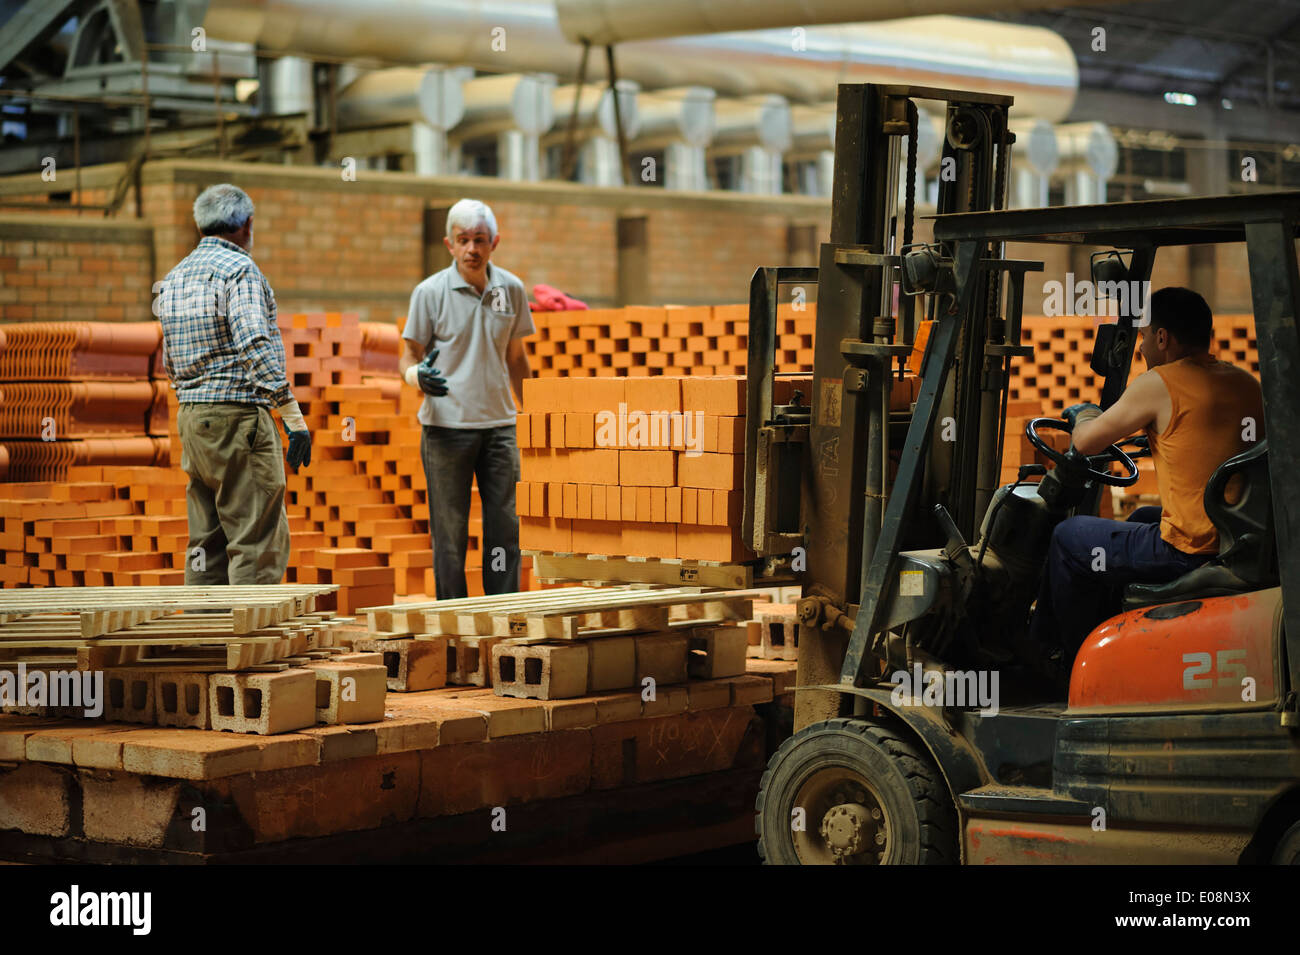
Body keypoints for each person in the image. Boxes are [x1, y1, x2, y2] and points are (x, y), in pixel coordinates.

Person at [1028, 286, 1264, 673]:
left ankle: (1062, 664)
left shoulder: (1162, 382)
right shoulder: (1244, 382)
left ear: (1162, 337)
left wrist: (1083, 414)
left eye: (1142, 335)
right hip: (1236, 539)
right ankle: (1117, 634)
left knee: (1068, 539)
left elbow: (1086, 442)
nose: (1140, 348)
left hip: (1190, 552)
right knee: (1139, 520)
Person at [155, 183, 311, 585]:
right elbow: (254, 343)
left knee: (205, 543)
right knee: (255, 542)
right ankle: (249, 644)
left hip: (192, 420)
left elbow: (168, 358)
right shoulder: (240, 271)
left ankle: (204, 639)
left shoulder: (173, 280)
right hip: (239, 420)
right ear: (247, 225)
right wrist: (292, 417)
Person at [401, 199, 534, 598]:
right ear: (449, 244)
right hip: (445, 430)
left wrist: (534, 417)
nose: (472, 249)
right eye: (463, 240)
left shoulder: (509, 290)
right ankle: (454, 623)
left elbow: (516, 358)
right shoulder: (429, 293)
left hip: (500, 429)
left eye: (479, 240)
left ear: (495, 242)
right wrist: (415, 376)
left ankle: (500, 614)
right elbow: (409, 352)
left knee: (505, 531)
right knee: (450, 535)